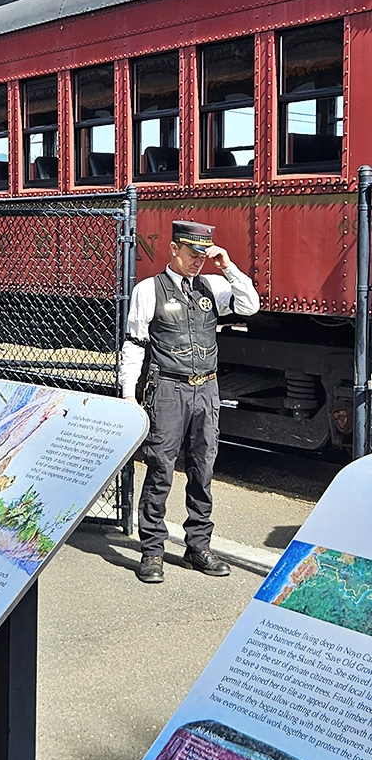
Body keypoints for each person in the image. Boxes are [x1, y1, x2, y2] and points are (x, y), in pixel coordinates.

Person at [120, 220, 260, 583]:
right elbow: (134, 345)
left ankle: (198, 546)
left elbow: (250, 305)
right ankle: (152, 550)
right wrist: (128, 395)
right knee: (160, 468)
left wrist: (227, 265)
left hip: (207, 389)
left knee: (203, 469)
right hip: (168, 389)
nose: (198, 261)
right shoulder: (148, 290)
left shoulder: (212, 286)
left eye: (203, 255)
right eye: (192, 254)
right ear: (173, 250)